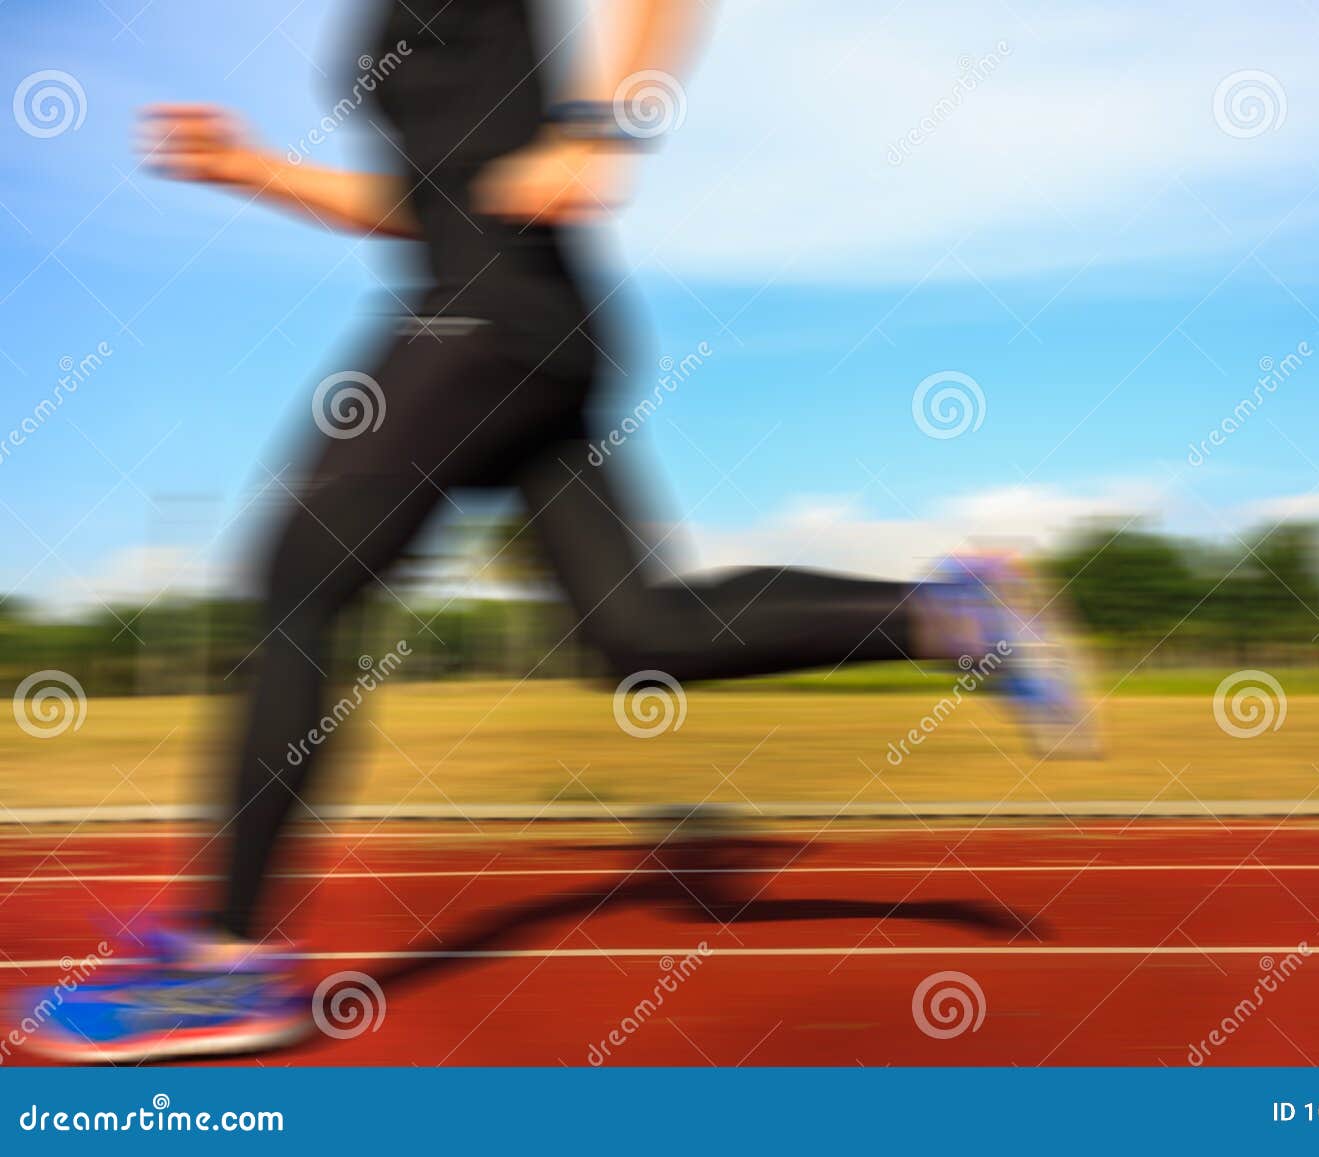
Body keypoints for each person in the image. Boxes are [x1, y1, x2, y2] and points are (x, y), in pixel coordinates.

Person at [28, 0, 1094, 1063]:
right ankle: (952, 614)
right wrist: (250, 170)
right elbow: (420, 205)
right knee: (637, 631)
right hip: (523, 327)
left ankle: (225, 958)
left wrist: (593, 131)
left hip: (488, 322)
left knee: (299, 581)